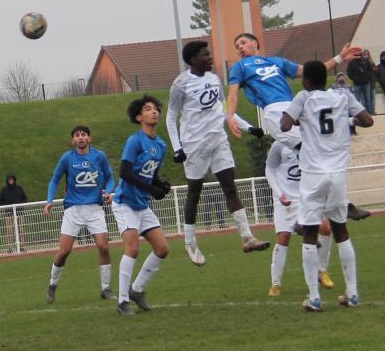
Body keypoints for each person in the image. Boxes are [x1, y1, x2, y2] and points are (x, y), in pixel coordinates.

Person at [224, 32, 371, 220]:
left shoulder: (276, 62)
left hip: (293, 109)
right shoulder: (239, 67)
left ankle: (314, 211)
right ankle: (341, 205)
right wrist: (230, 116)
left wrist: (339, 58)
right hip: (275, 113)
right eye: (237, 47)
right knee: (313, 152)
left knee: (313, 158)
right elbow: (232, 94)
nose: (240, 48)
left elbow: (313, 73)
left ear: (256, 43)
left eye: (243, 43)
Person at [280, 60, 374, 312]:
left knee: (309, 233)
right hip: (338, 173)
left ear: (306, 81)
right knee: (340, 229)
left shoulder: (304, 97)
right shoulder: (342, 95)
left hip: (313, 174)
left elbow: (284, 125)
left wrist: (299, 119)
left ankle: (314, 297)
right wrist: (347, 121)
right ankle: (352, 293)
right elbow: (367, 120)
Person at [167, 40, 270, 266]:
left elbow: (224, 110)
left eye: (209, 54)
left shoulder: (214, 79)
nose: (210, 58)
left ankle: (247, 237)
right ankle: (189, 241)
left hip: (218, 140)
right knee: (194, 192)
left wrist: (249, 128)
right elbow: (170, 116)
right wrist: (177, 148)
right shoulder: (180, 84)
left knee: (230, 187)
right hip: (194, 146)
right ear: (193, 60)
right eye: (205, 55)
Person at [112, 95, 172, 317]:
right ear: (139, 117)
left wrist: (160, 185)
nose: (154, 111)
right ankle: (122, 301)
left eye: (155, 108)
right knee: (133, 248)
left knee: (162, 248)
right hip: (125, 203)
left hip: (142, 204)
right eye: (148, 109)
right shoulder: (135, 141)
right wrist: (151, 189)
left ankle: (136, 290)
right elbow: (125, 172)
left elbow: (151, 173)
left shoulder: (160, 144)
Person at [44, 125, 115, 302]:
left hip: (94, 208)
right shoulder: (67, 158)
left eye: (83, 134)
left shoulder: (99, 156)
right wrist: (49, 200)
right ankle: (52, 284)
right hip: (73, 209)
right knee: (64, 251)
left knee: (104, 247)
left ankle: (106, 288)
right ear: (72, 140)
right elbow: (55, 179)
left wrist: (108, 192)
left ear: (89, 138)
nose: (80, 137)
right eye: (77, 135)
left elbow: (110, 178)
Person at [264, 141, 337, 297]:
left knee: (325, 228)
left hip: (307, 197)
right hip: (285, 199)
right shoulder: (279, 144)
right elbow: (269, 169)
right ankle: (276, 283)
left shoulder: (309, 139)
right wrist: (279, 193)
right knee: (284, 237)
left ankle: (321, 271)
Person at [0, 174, 28, 253]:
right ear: (7, 181)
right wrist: (7, 207)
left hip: (19, 212)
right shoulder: (4, 189)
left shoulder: (19, 188)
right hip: (9, 213)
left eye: (12, 179)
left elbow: (24, 198)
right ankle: (10, 248)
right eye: (9, 180)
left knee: (21, 230)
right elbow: (0, 201)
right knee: (9, 231)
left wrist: (20, 206)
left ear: (14, 180)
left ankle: (21, 246)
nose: (11, 181)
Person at [346, 49, 377, 114]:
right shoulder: (351, 63)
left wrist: (368, 77)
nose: (358, 54)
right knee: (357, 99)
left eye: (359, 53)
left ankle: (369, 112)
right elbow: (349, 73)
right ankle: (358, 113)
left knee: (367, 99)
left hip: (366, 83)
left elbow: (370, 70)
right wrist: (354, 78)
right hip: (357, 84)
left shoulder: (365, 61)